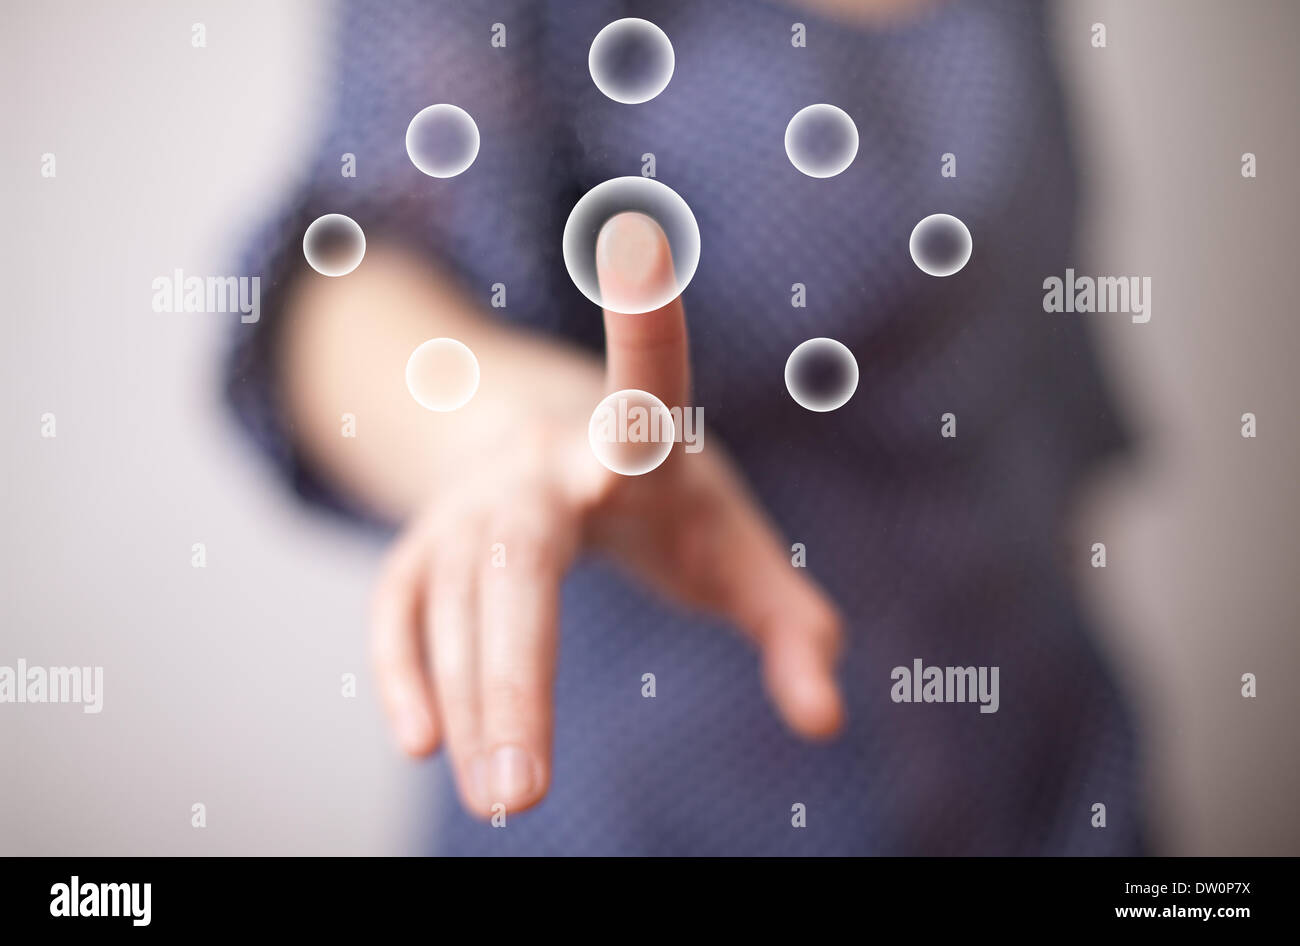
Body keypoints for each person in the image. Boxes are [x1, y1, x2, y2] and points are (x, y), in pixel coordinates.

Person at [225, 0, 1143, 854]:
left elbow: (1042, 407)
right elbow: (366, 249)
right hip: (663, 806)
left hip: (1053, 783)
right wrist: (504, 431)